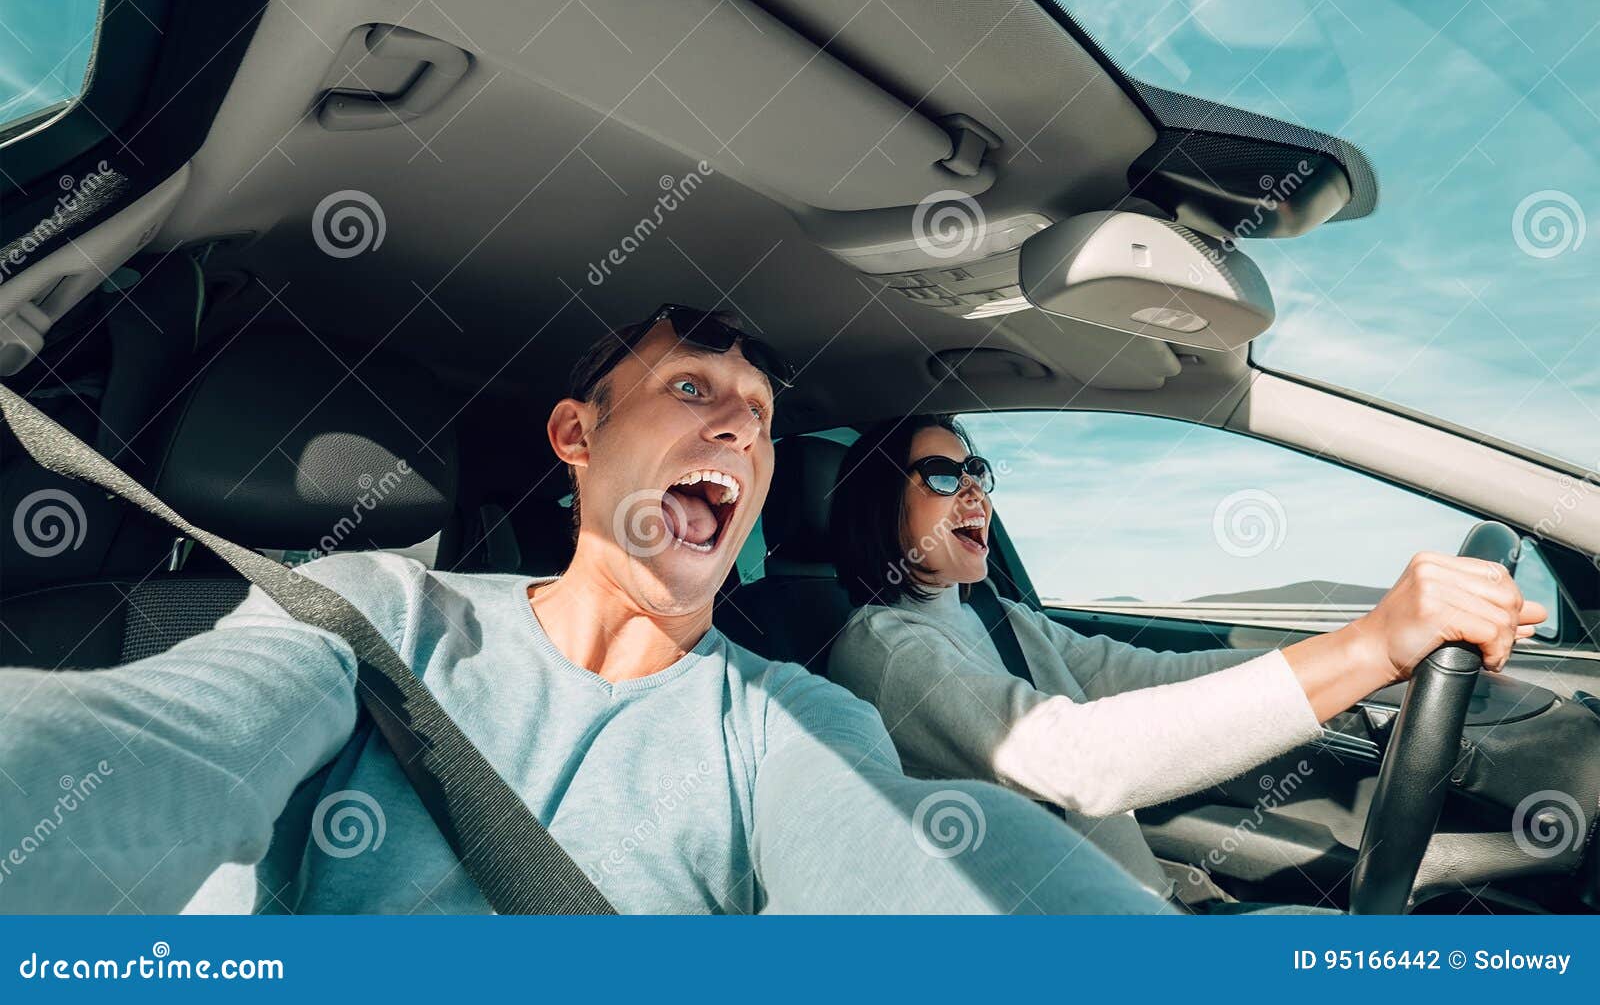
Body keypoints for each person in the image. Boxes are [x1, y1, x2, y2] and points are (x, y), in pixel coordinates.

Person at [0, 306, 1170, 915]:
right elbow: (151, 745)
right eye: (692, 389)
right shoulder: (373, 616)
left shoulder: (788, 721)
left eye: (758, 414)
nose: (738, 429)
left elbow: (934, 862)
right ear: (576, 437)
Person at [825, 414, 1545, 905]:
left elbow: (1144, 677)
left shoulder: (994, 612)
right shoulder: (887, 650)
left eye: (976, 470)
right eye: (942, 476)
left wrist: (1358, 647)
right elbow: (1082, 761)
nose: (974, 488)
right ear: (879, 504)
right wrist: (1372, 648)